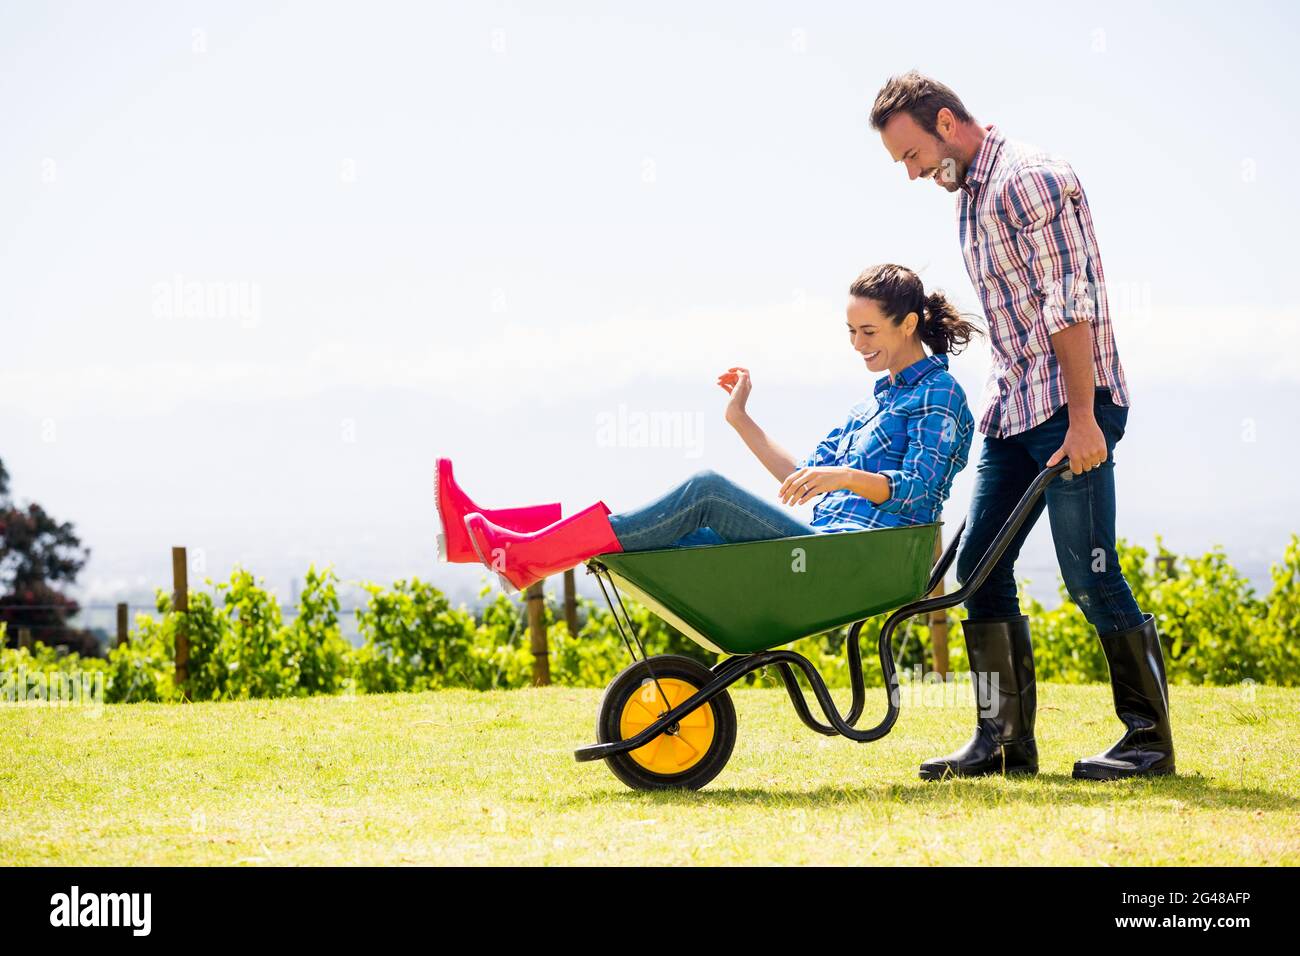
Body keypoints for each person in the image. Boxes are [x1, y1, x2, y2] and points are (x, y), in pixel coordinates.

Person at [869, 71, 1175, 782]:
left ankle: (1148, 741)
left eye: (912, 156)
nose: (913, 175)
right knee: (979, 571)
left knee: (1091, 574)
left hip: (1074, 408)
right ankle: (1003, 741)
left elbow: (1072, 305)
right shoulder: (968, 201)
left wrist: (1082, 419)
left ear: (946, 122)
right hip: (1014, 410)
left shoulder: (1029, 179)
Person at [436, 263, 978, 596]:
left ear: (908, 324)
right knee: (662, 528)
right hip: (824, 548)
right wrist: (740, 417)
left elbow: (919, 494)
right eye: (850, 331)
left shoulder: (940, 395)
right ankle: (487, 543)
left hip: (857, 561)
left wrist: (840, 476)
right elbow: (800, 476)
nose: (858, 344)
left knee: (705, 492)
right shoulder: (874, 404)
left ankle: (526, 555)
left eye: (868, 331)